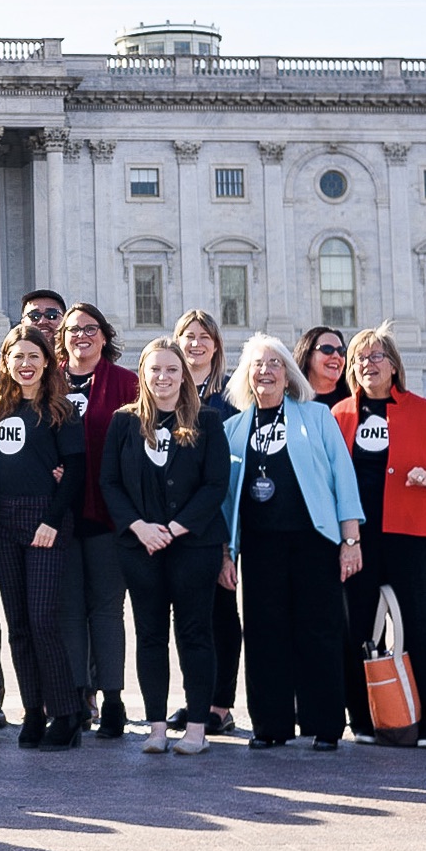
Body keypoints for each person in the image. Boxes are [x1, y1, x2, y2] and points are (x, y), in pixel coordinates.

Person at [219, 333, 363, 749]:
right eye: (258, 365)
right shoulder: (233, 428)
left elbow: (343, 480)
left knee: (319, 630)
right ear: (246, 376)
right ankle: (271, 725)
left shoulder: (316, 417)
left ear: (288, 375)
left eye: (274, 364)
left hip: (314, 540)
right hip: (260, 547)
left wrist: (350, 540)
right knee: (264, 634)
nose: (265, 371)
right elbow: (226, 500)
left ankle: (325, 725)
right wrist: (226, 553)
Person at [334, 328, 426, 747]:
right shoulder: (339, 415)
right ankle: (366, 721)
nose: (368, 364)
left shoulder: (424, 412)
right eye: (360, 359)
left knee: (422, 628)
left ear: (393, 364)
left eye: (376, 356)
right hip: (358, 538)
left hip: (411, 536)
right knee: (358, 630)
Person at [102, 338, 229, 756]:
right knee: (150, 635)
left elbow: (215, 485)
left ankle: (196, 728)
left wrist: (174, 528)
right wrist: (140, 527)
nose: (163, 377)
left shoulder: (207, 422)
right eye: (155, 369)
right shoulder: (123, 423)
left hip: (194, 545)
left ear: (182, 375)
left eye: (171, 369)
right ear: (143, 374)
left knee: (195, 633)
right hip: (140, 547)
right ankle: (156, 727)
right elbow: (110, 483)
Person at [0, 323, 83, 748]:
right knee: (19, 626)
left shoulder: (62, 410)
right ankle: (33, 711)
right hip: (4, 523)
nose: (25, 364)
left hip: (46, 521)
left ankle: (66, 713)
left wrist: (52, 520)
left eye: (33, 356)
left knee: (44, 621)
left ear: (47, 361)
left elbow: (75, 471)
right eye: (17, 356)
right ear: (5, 362)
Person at [56, 303, 135, 739]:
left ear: (104, 336)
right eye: (73, 329)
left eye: (90, 329)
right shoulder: (49, 381)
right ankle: (75, 697)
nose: (81, 336)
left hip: (108, 515)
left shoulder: (126, 384)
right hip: (61, 515)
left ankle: (113, 700)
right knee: (68, 610)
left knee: (106, 610)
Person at [172, 308, 240, 736]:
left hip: (222, 517)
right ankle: (196, 698)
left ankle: (220, 703)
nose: (195, 343)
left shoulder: (232, 396)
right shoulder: (167, 391)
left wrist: (227, 546)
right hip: (178, 522)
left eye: (203, 337)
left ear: (216, 346)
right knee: (189, 616)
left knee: (220, 612)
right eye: (188, 336)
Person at [295, 325, 350, 407]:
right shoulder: (289, 400)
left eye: (341, 351)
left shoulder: (354, 401)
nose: (336, 355)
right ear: (308, 355)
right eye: (327, 349)